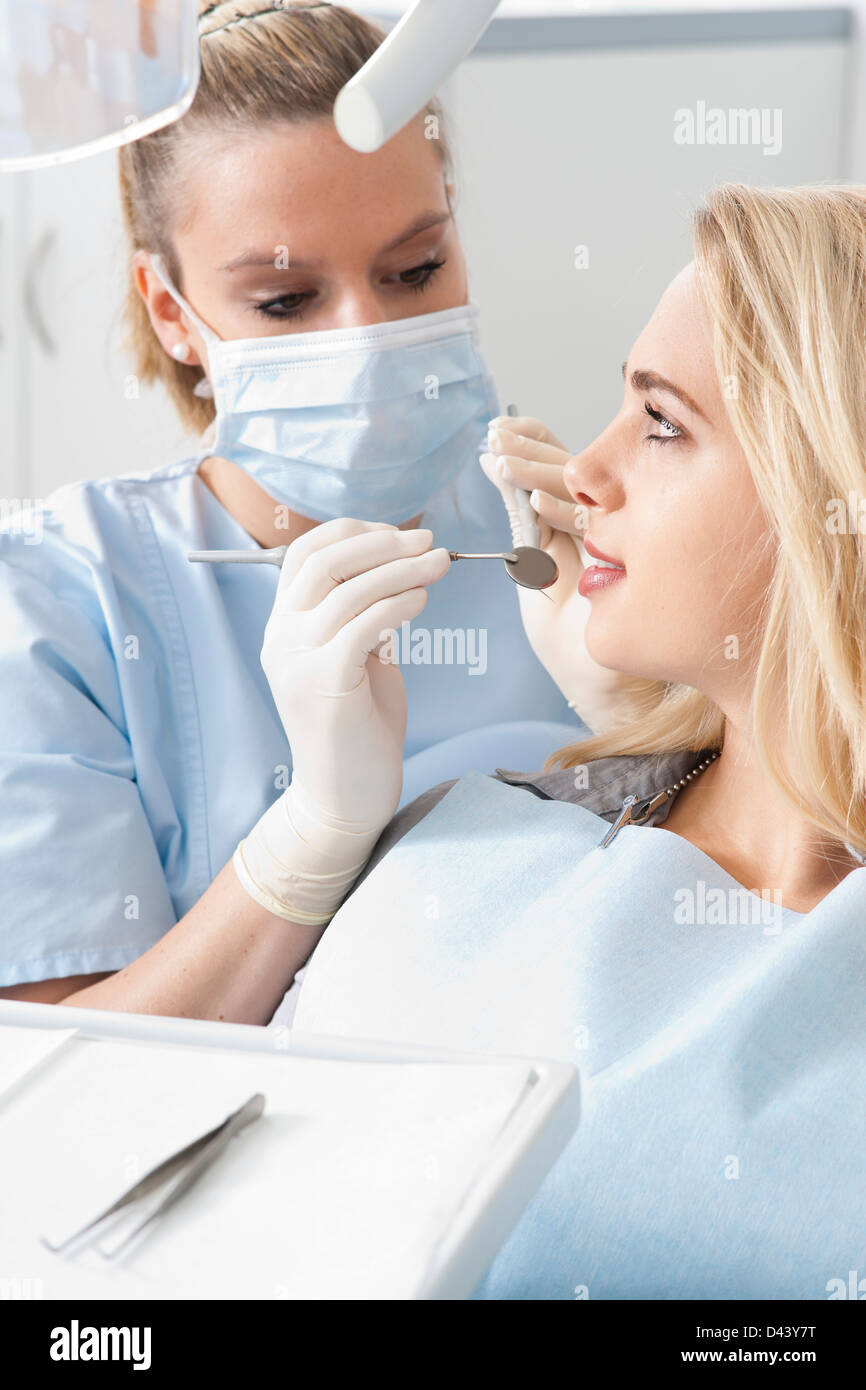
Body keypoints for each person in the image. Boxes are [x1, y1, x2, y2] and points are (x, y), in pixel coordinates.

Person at [257, 183, 864, 1298]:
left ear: (831, 497)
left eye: (661, 422)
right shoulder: (469, 839)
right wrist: (310, 833)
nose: (581, 472)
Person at [0, 1, 602, 1005]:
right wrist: (307, 844)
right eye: (285, 301)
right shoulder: (62, 602)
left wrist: (661, 716)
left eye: (415, 270)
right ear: (172, 312)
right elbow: (51, 1095)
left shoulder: (559, 542)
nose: (369, 337)